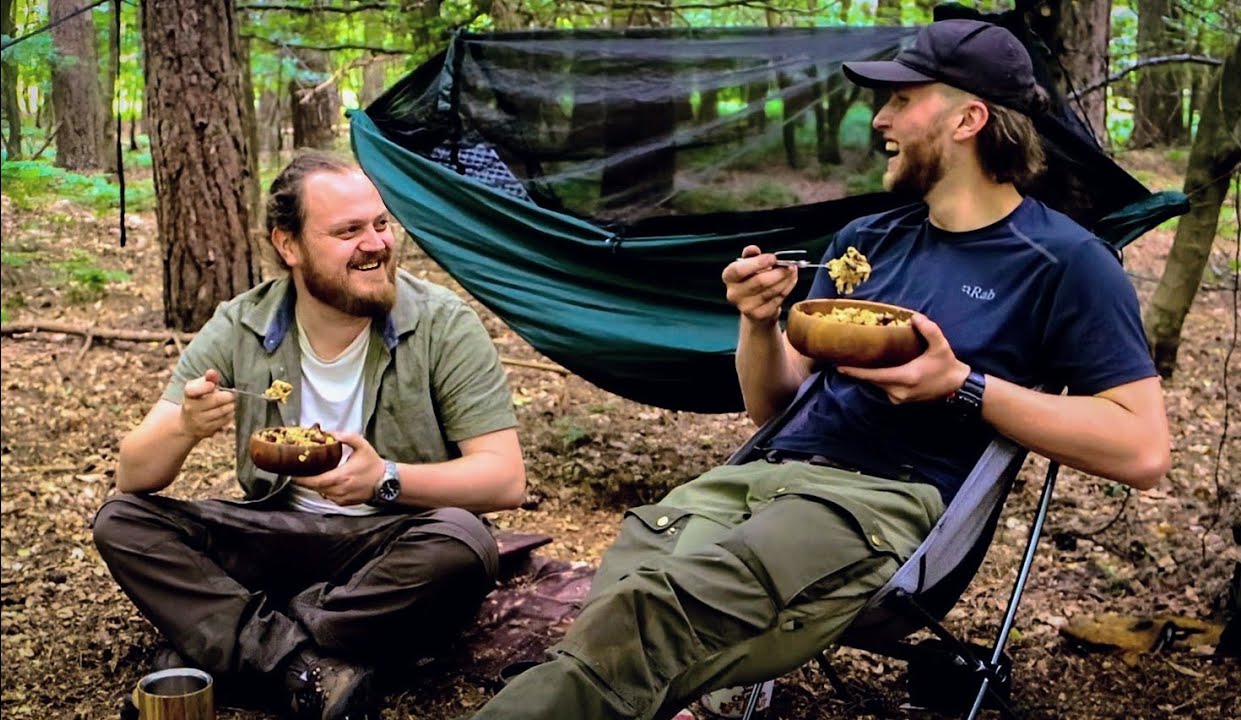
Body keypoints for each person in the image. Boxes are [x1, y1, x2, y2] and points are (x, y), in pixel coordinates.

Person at [469, 18, 1170, 720]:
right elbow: (774, 407)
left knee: (654, 612)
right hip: (763, 477)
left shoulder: (1066, 263)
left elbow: (1142, 450)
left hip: (878, 505)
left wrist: (963, 386)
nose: (880, 118)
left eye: (902, 100)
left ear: (969, 119)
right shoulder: (867, 242)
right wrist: (758, 323)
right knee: (634, 578)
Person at [93, 151, 526, 720]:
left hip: (388, 546)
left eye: (380, 224)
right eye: (348, 231)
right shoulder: (242, 323)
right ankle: (305, 664)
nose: (375, 244)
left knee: (464, 542)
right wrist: (185, 427)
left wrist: (386, 479)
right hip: (274, 535)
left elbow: (504, 478)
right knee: (121, 522)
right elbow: (133, 474)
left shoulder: (442, 324)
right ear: (289, 245)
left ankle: (231, 642)